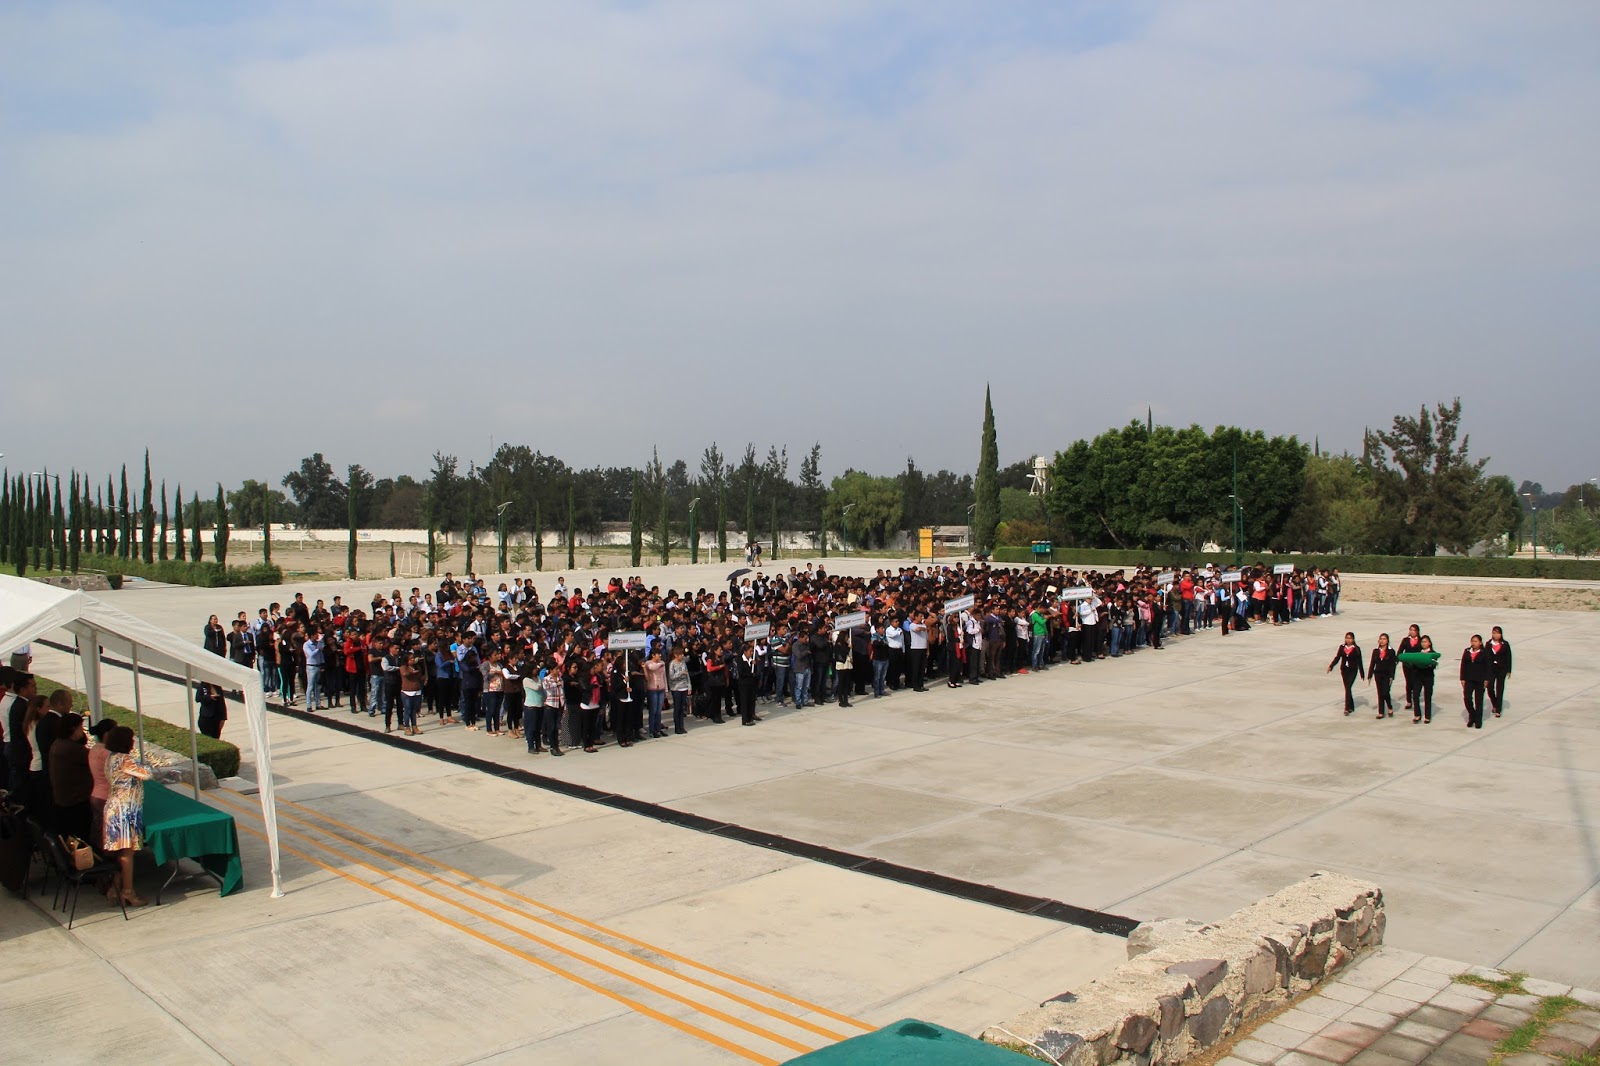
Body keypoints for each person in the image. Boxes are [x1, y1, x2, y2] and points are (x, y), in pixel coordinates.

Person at [101, 725, 152, 907]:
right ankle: (128, 891)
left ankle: (115, 888)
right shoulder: (125, 760)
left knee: (120, 851)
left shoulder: (110, 758)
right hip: (125, 811)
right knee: (127, 851)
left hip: (114, 807)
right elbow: (147, 774)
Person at [49, 713, 94, 842]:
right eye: (81, 727)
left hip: (63, 800)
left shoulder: (58, 744)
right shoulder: (72, 749)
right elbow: (94, 759)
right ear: (73, 729)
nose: (83, 730)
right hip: (76, 802)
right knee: (83, 835)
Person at [1397, 636, 1440, 724]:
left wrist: (1429, 664)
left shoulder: (1432, 653)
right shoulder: (1417, 653)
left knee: (1427, 696)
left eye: (1425, 642)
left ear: (1429, 643)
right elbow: (1412, 664)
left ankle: (1427, 716)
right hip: (1418, 676)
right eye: (1422, 642)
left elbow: (1434, 664)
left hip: (1428, 677)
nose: (1423, 643)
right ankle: (1417, 714)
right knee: (1415, 695)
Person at [87, 718, 115, 850]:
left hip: (96, 794)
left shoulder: (94, 749)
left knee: (99, 831)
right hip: (106, 797)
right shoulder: (106, 754)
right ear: (107, 735)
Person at [1328, 633, 1365, 715]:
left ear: (1353, 639)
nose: (1348, 640)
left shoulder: (1356, 649)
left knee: (1348, 688)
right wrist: (1331, 666)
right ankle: (1351, 706)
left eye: (1350, 638)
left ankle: (1347, 708)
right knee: (1347, 689)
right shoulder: (1342, 647)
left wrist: (1362, 673)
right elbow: (1337, 657)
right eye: (1347, 638)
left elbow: (1360, 662)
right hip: (1344, 670)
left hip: (1352, 671)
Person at [1460, 634, 1491, 729]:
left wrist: (1487, 679)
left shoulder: (1484, 652)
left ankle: (1478, 720)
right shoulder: (1467, 651)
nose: (1473, 643)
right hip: (1469, 679)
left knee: (1479, 701)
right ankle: (1472, 715)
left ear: (1480, 643)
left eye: (1475, 641)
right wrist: (1462, 678)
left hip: (1480, 680)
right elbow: (1463, 665)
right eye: (1472, 641)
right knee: (1467, 698)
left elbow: (1488, 667)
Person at [1368, 634, 1397, 720]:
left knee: (1385, 692)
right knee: (1380, 693)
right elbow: (1372, 663)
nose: (1382, 641)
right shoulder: (1376, 651)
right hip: (1378, 674)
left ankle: (1389, 706)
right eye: (1380, 639)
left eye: (1384, 639)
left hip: (1387, 675)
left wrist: (1392, 676)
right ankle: (1381, 712)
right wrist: (1370, 675)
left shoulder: (1391, 651)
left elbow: (1393, 665)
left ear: (1387, 641)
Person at [1396, 624, 1424, 713]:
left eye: (1414, 630)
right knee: (1408, 681)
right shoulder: (1405, 640)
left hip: (1417, 665)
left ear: (1417, 631)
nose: (1412, 632)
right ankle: (1409, 701)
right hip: (1407, 665)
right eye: (1410, 630)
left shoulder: (1421, 640)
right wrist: (1397, 660)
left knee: (1416, 681)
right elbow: (1400, 651)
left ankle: (1415, 697)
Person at [1486, 626, 1512, 718]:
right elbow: (1486, 657)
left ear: (1500, 634)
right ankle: (1495, 703)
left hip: (1502, 669)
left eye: (1497, 633)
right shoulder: (1488, 644)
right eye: (1493, 632)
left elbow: (1509, 657)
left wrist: (1509, 670)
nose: (1495, 635)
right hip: (1491, 669)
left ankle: (1498, 709)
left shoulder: (1505, 644)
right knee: (1489, 687)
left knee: (1499, 689)